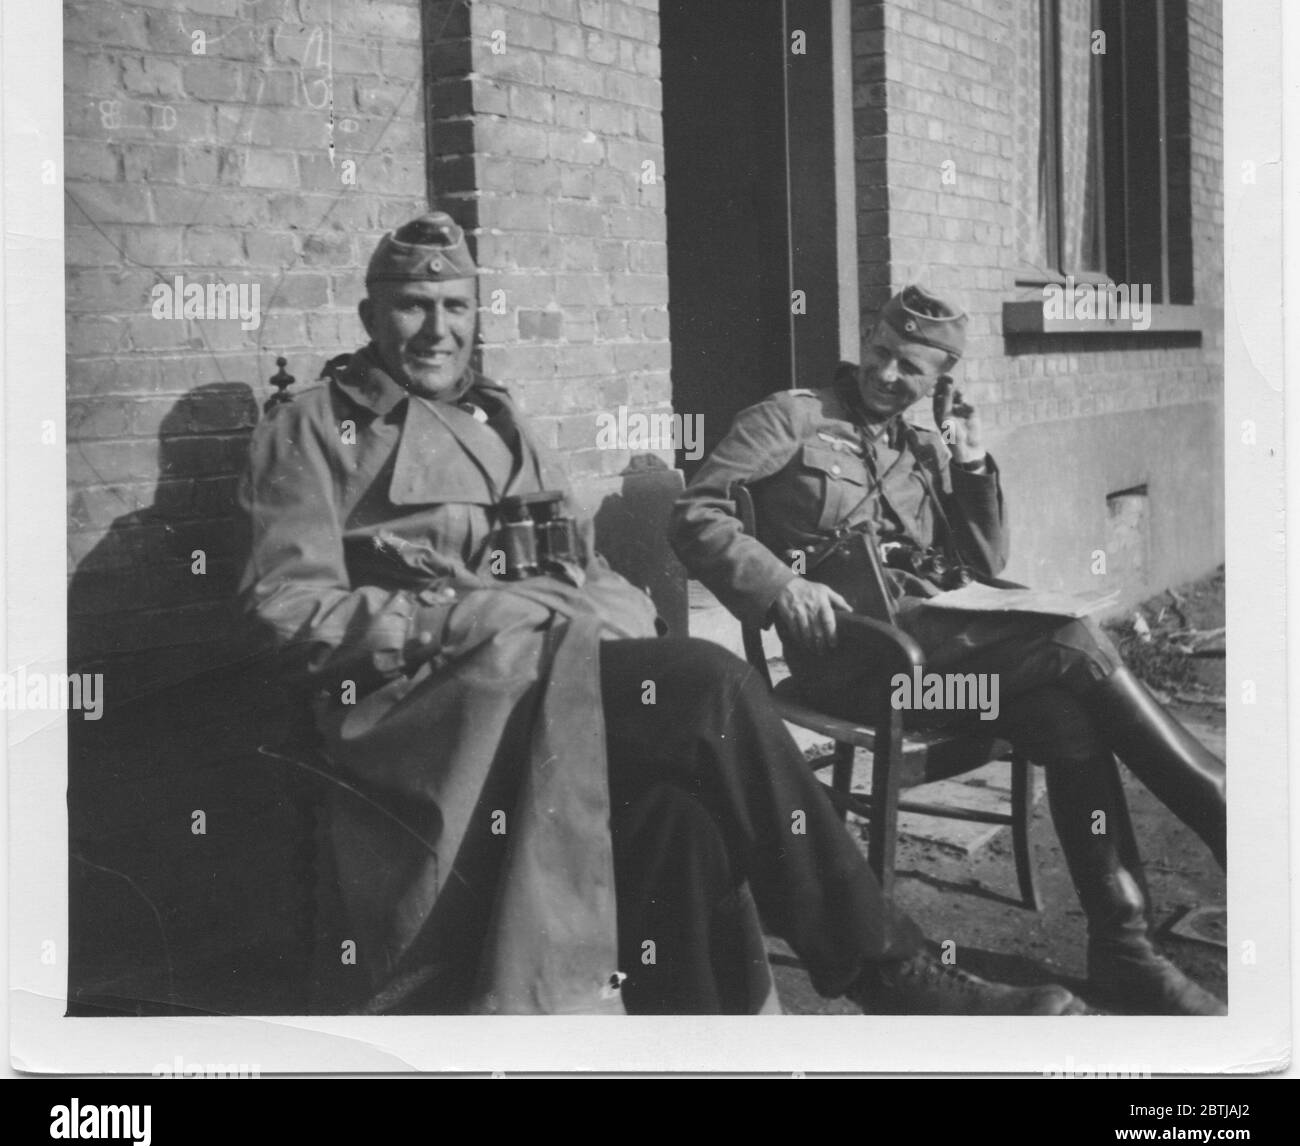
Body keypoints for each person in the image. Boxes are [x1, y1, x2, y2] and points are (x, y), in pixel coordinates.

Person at [236, 212, 1087, 1017]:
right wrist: (463, 622)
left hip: (546, 677)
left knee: (686, 817)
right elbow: (285, 611)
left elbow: (576, 558)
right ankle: (889, 970)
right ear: (368, 315)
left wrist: (617, 610)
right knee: (711, 685)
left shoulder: (499, 419)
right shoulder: (312, 428)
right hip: (433, 709)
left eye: (454, 307)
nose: (435, 330)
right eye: (412, 307)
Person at [670, 283, 1227, 1016]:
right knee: (1075, 645)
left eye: (911, 369)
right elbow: (696, 513)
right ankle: (1223, 810)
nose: (887, 375)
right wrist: (779, 587)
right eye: (881, 353)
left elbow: (988, 558)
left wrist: (968, 463)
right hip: (861, 674)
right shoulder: (792, 417)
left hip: (946, 682)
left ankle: (1126, 952)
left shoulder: (922, 446)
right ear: (866, 340)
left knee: (1066, 714)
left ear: (940, 383)